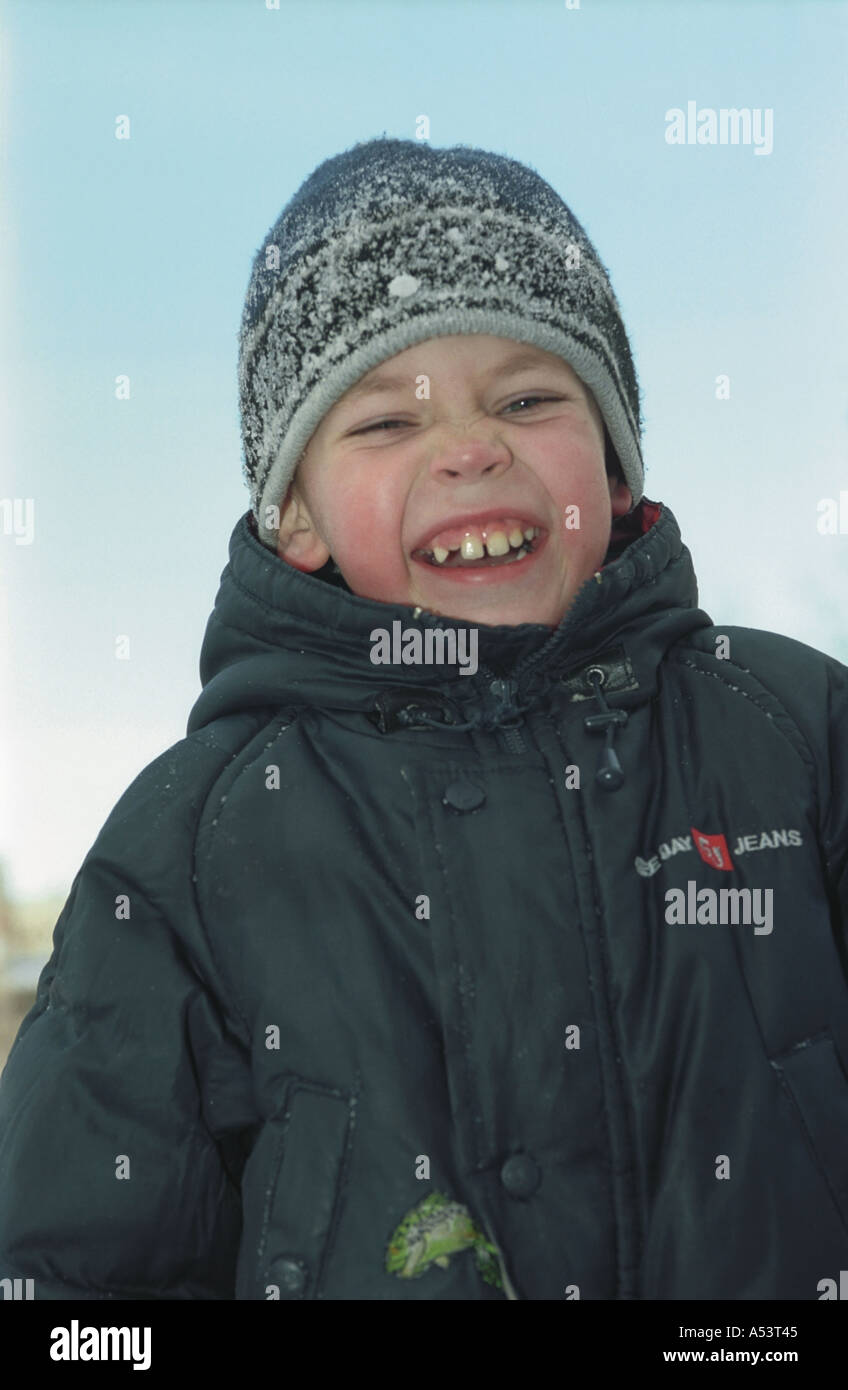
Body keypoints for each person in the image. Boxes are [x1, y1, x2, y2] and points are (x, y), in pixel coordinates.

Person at [1, 136, 847, 1301]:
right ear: (295, 516)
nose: (467, 447)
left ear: (608, 471)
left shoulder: (792, 734)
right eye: (386, 423)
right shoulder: (195, 843)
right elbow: (74, 1275)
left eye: (527, 395)